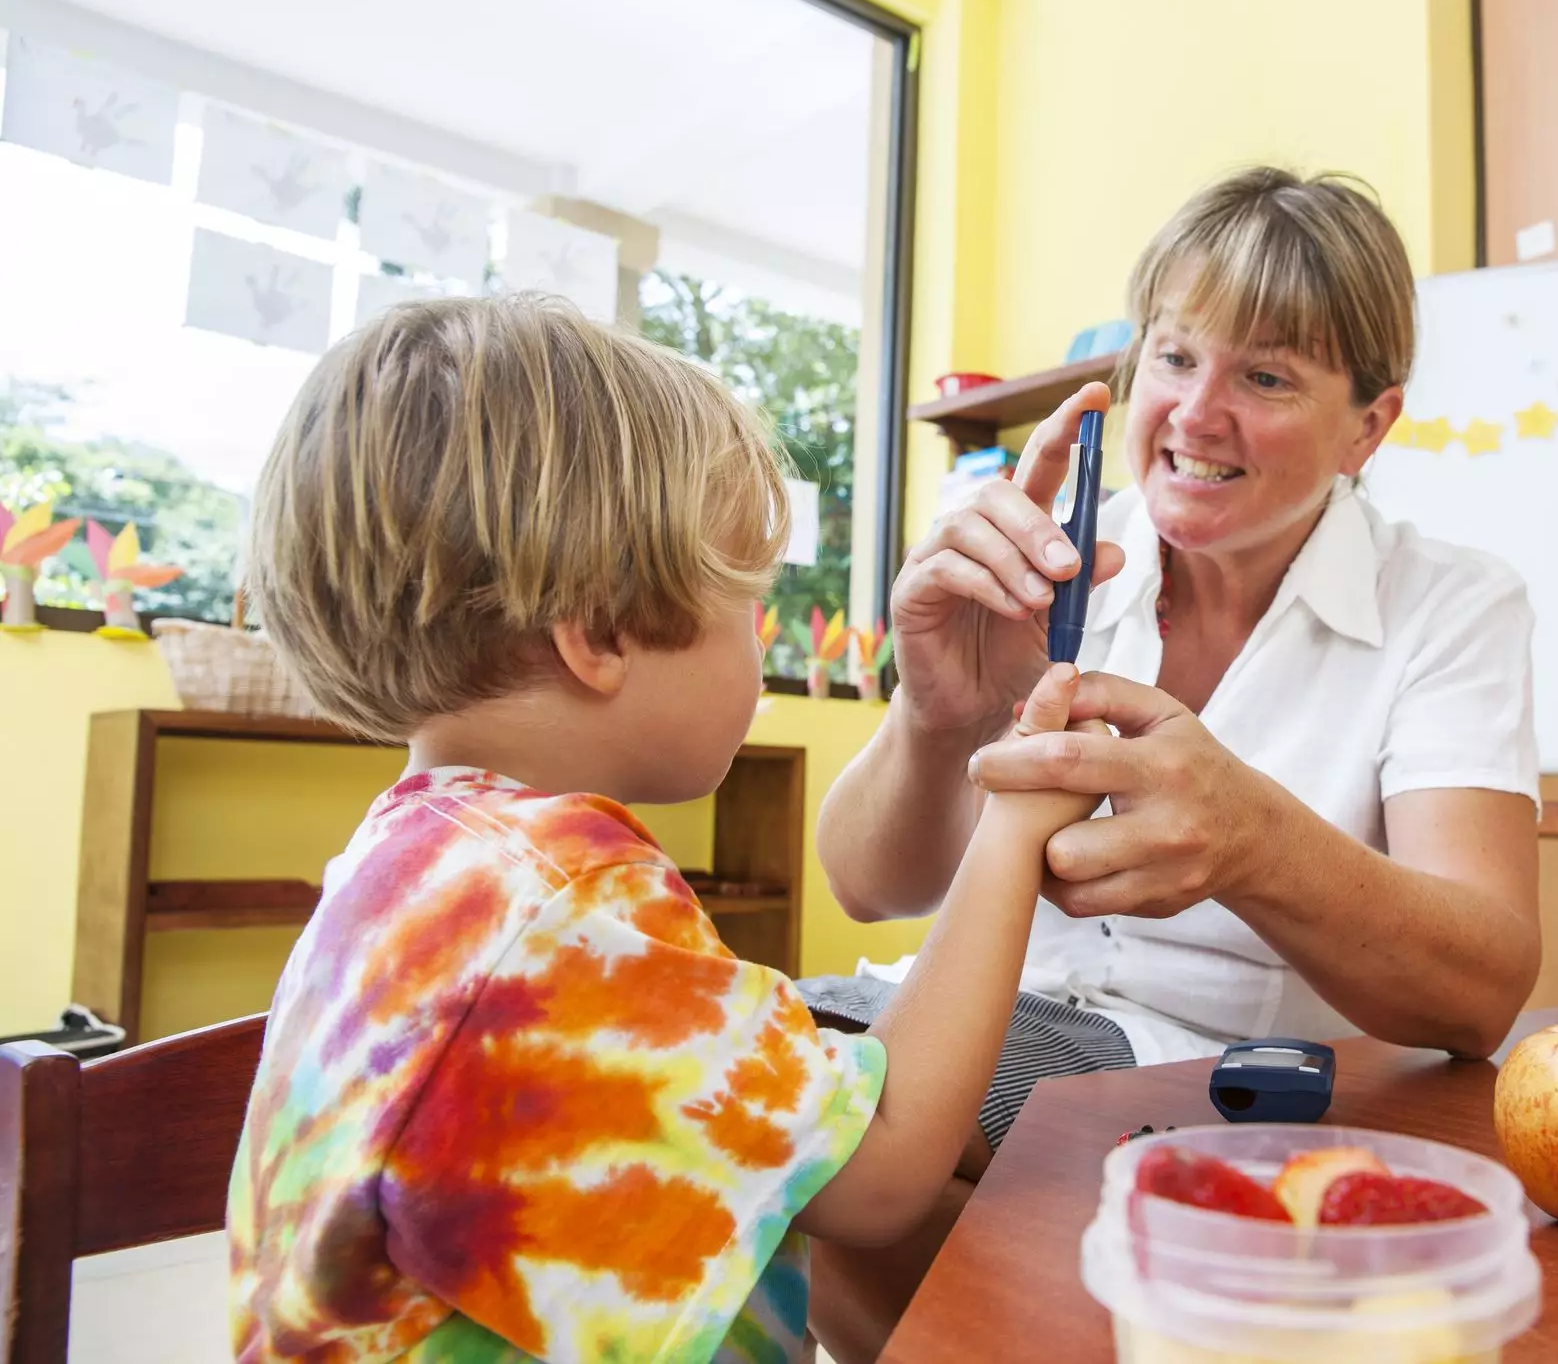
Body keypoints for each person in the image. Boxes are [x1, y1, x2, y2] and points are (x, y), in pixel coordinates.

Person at [227, 295, 1100, 1363]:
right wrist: (1014, 823)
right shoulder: (570, 897)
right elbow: (877, 1170)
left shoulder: (412, 861)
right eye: (749, 609)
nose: (758, 656)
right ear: (599, 633)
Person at [806, 167, 1544, 1359]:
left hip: (1192, 1085)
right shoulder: (1048, 555)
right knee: (779, 1094)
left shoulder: (1449, 607)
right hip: (963, 1035)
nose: (1197, 416)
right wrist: (938, 712)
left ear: (1371, 423)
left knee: (835, 1167)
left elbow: (1482, 985)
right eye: (1174, 358)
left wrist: (1254, 840)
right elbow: (863, 882)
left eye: (1264, 377)